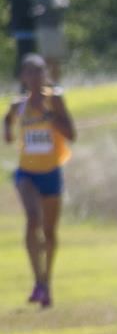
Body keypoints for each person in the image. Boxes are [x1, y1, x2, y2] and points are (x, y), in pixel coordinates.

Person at [6, 55, 73, 309]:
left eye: (39, 72)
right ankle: (37, 279)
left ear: (45, 75)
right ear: (23, 77)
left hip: (51, 173)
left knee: (50, 232)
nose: (34, 78)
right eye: (29, 73)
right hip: (27, 173)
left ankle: (47, 282)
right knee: (32, 219)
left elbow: (71, 134)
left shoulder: (54, 101)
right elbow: (7, 119)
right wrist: (7, 132)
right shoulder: (18, 106)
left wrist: (48, 115)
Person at [35, 0, 68, 85]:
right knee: (47, 59)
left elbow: (63, 3)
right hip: (46, 30)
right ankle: (46, 83)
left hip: (55, 28)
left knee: (56, 59)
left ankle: (56, 83)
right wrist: (61, 4)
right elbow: (53, 6)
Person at [8, 0, 37, 70]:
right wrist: (36, 12)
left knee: (22, 55)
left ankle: (23, 81)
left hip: (18, 27)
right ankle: (25, 81)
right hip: (26, 27)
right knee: (27, 56)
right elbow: (26, 9)